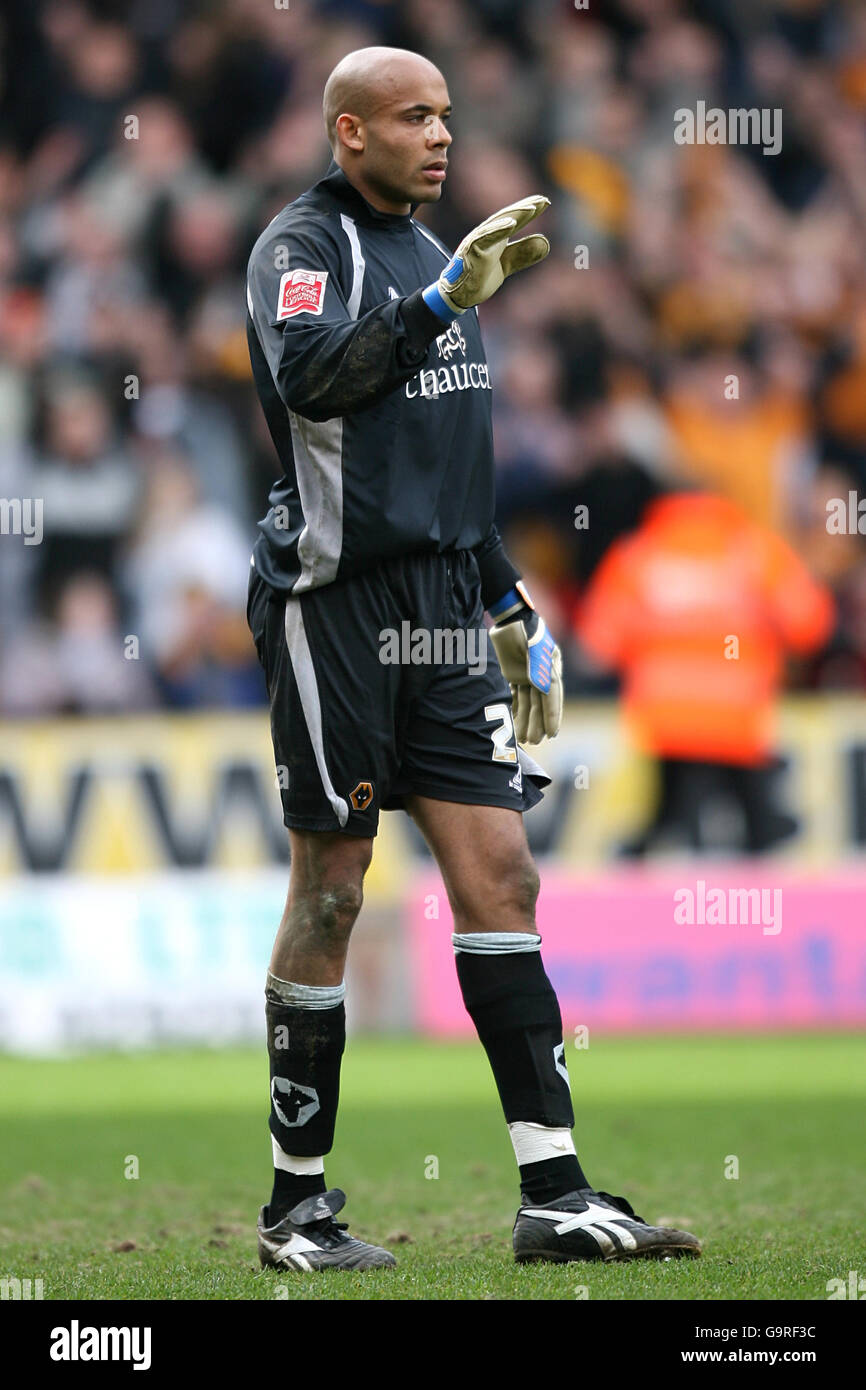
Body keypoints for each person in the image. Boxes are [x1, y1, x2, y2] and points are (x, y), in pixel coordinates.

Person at [244, 45, 701, 1271]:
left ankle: (552, 1189)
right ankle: (297, 1207)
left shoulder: (434, 253)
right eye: (411, 117)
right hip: (332, 606)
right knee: (334, 887)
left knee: (500, 874)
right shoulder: (304, 246)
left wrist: (510, 606)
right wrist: (442, 301)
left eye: (445, 115)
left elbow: (453, 460)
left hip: (446, 609)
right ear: (348, 133)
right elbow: (310, 377)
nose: (439, 137)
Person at [577, 489, 835, 854]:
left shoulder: (638, 555)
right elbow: (810, 624)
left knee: (675, 818)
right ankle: (754, 897)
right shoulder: (756, 551)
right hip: (736, 714)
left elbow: (596, 646)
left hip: (666, 717)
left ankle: (655, 875)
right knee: (756, 825)